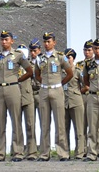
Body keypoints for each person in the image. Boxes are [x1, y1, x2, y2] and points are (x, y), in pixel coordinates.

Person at [0, 30, 32, 162]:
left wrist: (17, 80)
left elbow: (29, 71)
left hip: (13, 88)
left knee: (16, 121)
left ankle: (18, 152)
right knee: (0, 123)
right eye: (2, 39)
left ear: (12, 41)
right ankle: (0, 153)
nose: (4, 42)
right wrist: (0, 79)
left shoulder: (18, 55)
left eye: (6, 39)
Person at [34, 32, 73, 161]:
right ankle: (44, 153)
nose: (46, 44)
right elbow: (37, 74)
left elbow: (69, 73)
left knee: (60, 123)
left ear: (54, 42)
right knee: (44, 123)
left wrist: (60, 84)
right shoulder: (40, 58)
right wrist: (45, 83)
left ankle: (63, 153)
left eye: (49, 41)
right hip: (44, 91)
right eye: (45, 41)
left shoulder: (61, 57)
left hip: (57, 90)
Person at [19, 40, 42, 160]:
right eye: (31, 51)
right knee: (29, 124)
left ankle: (44, 151)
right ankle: (29, 151)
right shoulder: (25, 63)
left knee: (44, 123)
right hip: (29, 94)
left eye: (35, 50)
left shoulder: (42, 62)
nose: (33, 53)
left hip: (40, 93)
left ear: (39, 50)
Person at [63, 47, 86, 160]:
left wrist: (77, 93)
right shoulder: (61, 71)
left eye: (69, 57)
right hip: (64, 102)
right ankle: (65, 152)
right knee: (64, 129)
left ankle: (80, 152)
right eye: (65, 57)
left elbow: (86, 86)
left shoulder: (77, 71)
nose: (67, 59)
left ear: (73, 59)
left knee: (79, 129)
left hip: (76, 101)